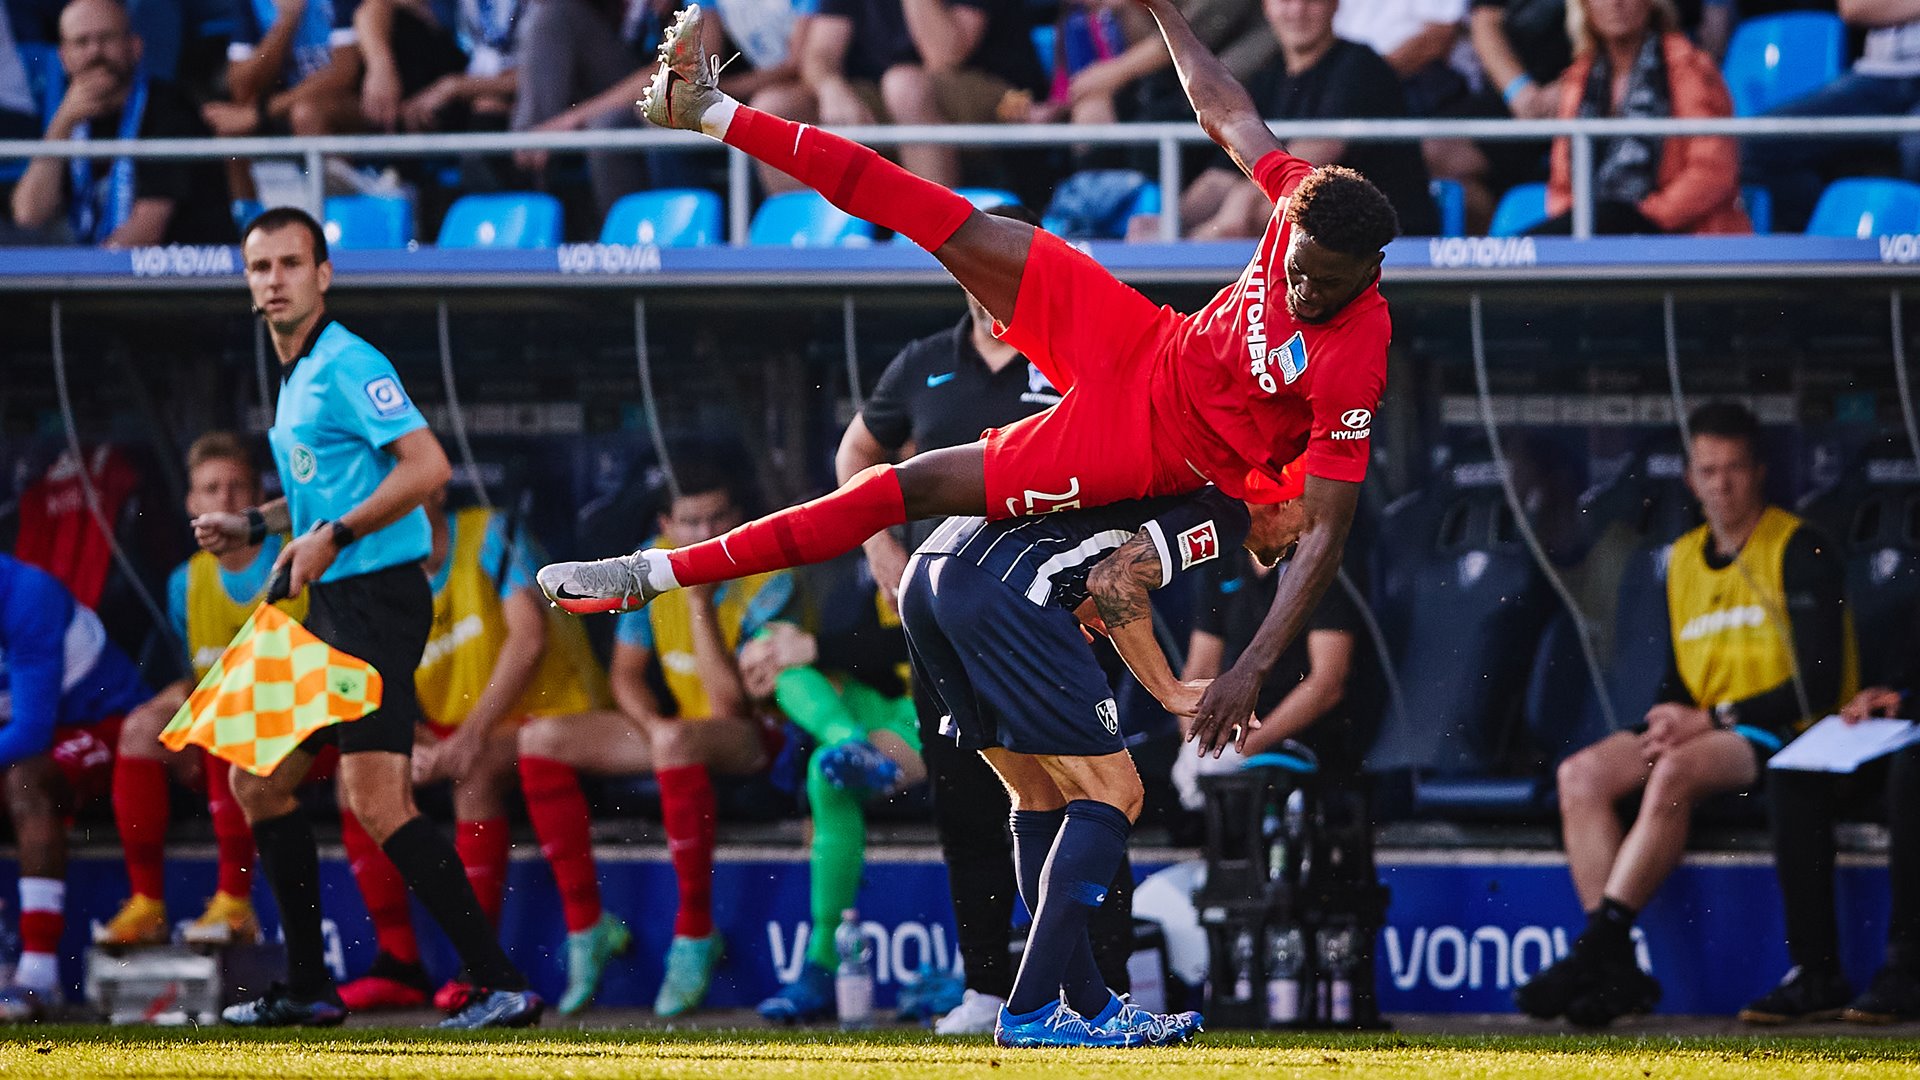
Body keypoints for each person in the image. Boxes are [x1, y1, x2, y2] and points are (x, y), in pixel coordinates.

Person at [544, 0, 1400, 763]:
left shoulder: (1356, 353)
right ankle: (708, 108)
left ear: (1370, 271)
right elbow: (1228, 109)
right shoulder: (1301, 202)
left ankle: (649, 576)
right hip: (1144, 340)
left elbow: (1323, 531)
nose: (1300, 289)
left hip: (1152, 445)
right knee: (945, 217)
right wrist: (1164, 11)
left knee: (900, 488)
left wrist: (1245, 672)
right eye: (1293, 268)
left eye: (1323, 284)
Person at [194, 206, 539, 1030]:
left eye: (288, 263)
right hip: (332, 599)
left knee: (377, 801)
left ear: (323, 274)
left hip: (378, 596)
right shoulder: (299, 372)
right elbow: (329, 491)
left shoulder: (348, 361)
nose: (273, 279)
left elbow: (427, 466)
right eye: (259, 267)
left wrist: (333, 537)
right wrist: (259, 526)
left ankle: (499, 982)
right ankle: (310, 987)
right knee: (255, 778)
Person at [830, 202, 1134, 1035]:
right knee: (968, 800)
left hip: (1049, 617)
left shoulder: (1074, 353)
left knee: (1089, 794)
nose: (982, 268)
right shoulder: (924, 361)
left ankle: (1098, 987)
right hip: (949, 624)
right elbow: (857, 454)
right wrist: (881, 552)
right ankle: (987, 986)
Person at [899, 471, 1307, 1045]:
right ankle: (1031, 1008)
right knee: (1115, 792)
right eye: (1308, 520)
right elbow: (1117, 579)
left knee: (1038, 795)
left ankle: (1089, 1005)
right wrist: (1167, 688)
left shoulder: (1194, 476)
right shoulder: (1229, 508)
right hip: (1003, 582)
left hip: (934, 566)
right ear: (1283, 496)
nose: (1305, 540)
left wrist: (1078, 608)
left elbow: (1091, 557)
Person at [1517, 401, 1855, 1028]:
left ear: (1758, 472)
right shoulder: (1684, 558)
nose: (1721, 484)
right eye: (1708, 470)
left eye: (1734, 469)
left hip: (1783, 734)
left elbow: (1819, 686)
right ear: (1690, 479)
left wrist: (1709, 719)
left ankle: (1597, 948)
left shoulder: (1798, 547)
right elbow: (1681, 667)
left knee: (1674, 769)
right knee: (1580, 775)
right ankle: (1615, 966)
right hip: (1709, 725)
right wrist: (1669, 712)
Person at [517, 458, 799, 1016]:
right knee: (539, 740)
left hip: (758, 736)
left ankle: (695, 933)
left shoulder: (770, 572)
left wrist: (697, 598)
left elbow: (731, 703)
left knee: (676, 742)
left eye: (718, 518)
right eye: (689, 523)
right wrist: (651, 725)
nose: (704, 534)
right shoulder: (648, 564)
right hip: (684, 735)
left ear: (739, 518)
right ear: (666, 524)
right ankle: (586, 926)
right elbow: (625, 674)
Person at [338, 483, 610, 1012]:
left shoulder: (491, 532)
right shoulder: (375, 572)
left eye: (399, 493)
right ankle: (399, 963)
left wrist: (467, 739)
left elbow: (528, 638)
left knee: (474, 771)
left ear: (435, 490)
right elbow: (374, 677)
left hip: (553, 712)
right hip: (456, 729)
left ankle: (478, 965)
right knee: (360, 783)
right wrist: (408, 742)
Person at [97, 432, 306, 950]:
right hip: (228, 739)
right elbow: (202, 666)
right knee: (143, 727)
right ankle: (147, 904)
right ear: (192, 504)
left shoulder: (296, 557)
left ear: (260, 496)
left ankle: (236, 902)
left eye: (237, 487)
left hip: (301, 733)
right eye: (211, 489)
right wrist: (175, 702)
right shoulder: (183, 583)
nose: (225, 500)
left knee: (221, 713)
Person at [744, 591, 926, 1023]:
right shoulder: (846, 573)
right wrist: (764, 657)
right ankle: (847, 742)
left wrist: (818, 646)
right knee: (825, 760)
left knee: (825, 775)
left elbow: (930, 638)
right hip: (869, 714)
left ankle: (824, 960)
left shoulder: (953, 551)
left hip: (933, 715)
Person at [1742, 621, 1920, 1024]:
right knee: (1795, 772)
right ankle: (1815, 972)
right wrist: (1891, 693)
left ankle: (1907, 968)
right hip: (1906, 724)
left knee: (1914, 771)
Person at [0, 554, 152, 1021]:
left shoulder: (26, 594)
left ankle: (37, 978)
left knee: (27, 780)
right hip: (29, 735)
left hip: (105, 723)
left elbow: (31, 732)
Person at [1175, 0, 1439, 239]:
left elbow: (1318, 151)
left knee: (1264, 210)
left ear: (1335, 5)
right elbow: (1221, 176)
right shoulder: (1268, 78)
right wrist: (1170, 223)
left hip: (1384, 242)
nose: (1297, 11)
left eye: (1311, 1)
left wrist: (1192, 243)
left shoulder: (1362, 67)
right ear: (1267, 6)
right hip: (1319, 253)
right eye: (1286, 0)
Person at [9, 0, 234, 246]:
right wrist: (62, 124)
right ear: (63, 57)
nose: (95, 52)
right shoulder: (66, 119)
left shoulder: (170, 109)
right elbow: (28, 214)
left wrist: (86, 277)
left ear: (135, 47)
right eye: (81, 42)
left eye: (106, 38)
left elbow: (146, 231)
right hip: (108, 271)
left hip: (177, 277)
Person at [1526, 0, 1748, 236]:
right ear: (1584, 7)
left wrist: (1642, 216)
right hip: (1595, 239)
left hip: (1677, 236)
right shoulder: (1578, 80)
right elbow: (1562, 184)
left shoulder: (1690, 67)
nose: (1615, 4)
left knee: (1611, 215)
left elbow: (1712, 171)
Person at [1173, 545, 1362, 806]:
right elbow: (1200, 669)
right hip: (1235, 723)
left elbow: (1328, 682)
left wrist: (1244, 750)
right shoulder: (1223, 563)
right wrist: (1193, 745)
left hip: (1303, 730)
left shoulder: (1319, 562)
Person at [1740, 1, 1920, 233]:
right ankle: (1808, 256)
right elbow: (1856, 8)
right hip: (1879, 78)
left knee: (1916, 146)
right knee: (1760, 142)